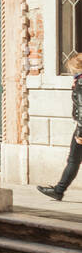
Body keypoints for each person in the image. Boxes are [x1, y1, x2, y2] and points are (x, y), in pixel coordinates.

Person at [37, 51, 82, 200]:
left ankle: (59, 190)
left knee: (73, 160)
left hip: (81, 128)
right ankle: (59, 189)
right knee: (74, 160)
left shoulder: (81, 82)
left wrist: (80, 133)